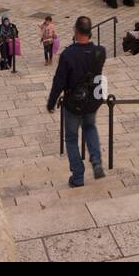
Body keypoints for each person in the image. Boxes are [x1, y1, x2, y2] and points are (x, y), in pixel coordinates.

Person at [46, 15, 107, 187]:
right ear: (90, 32)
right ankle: (96, 160)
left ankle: (78, 176)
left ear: (75, 30)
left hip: (73, 103)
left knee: (71, 138)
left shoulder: (68, 55)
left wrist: (51, 103)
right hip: (92, 102)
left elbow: (59, 82)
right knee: (90, 127)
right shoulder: (100, 52)